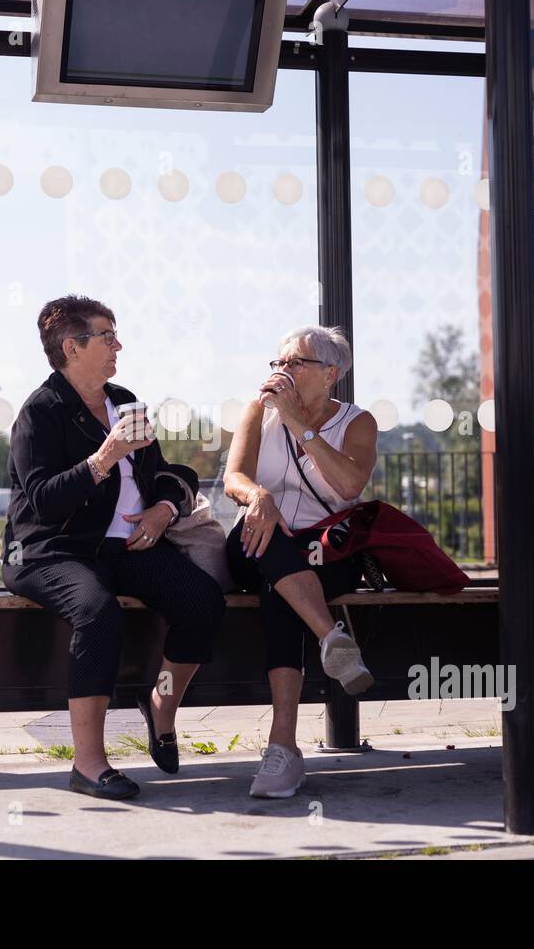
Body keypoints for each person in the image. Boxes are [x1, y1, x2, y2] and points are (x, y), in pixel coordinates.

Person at [2, 294, 225, 800]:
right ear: (71, 346)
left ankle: (161, 706)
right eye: (107, 336)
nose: (117, 345)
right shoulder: (40, 412)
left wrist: (163, 509)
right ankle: (88, 765)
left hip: (127, 546)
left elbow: (169, 473)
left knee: (202, 600)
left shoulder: (124, 398)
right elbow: (43, 503)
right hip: (52, 551)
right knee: (99, 613)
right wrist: (103, 458)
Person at [222, 324, 379, 799]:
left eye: (295, 363)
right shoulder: (256, 411)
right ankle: (332, 637)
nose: (281, 371)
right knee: (268, 546)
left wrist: (299, 425)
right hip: (257, 536)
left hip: (326, 547)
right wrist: (260, 497)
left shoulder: (358, 421)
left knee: (280, 590)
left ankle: (283, 748)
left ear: (329, 373)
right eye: (279, 362)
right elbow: (234, 477)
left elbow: (349, 487)